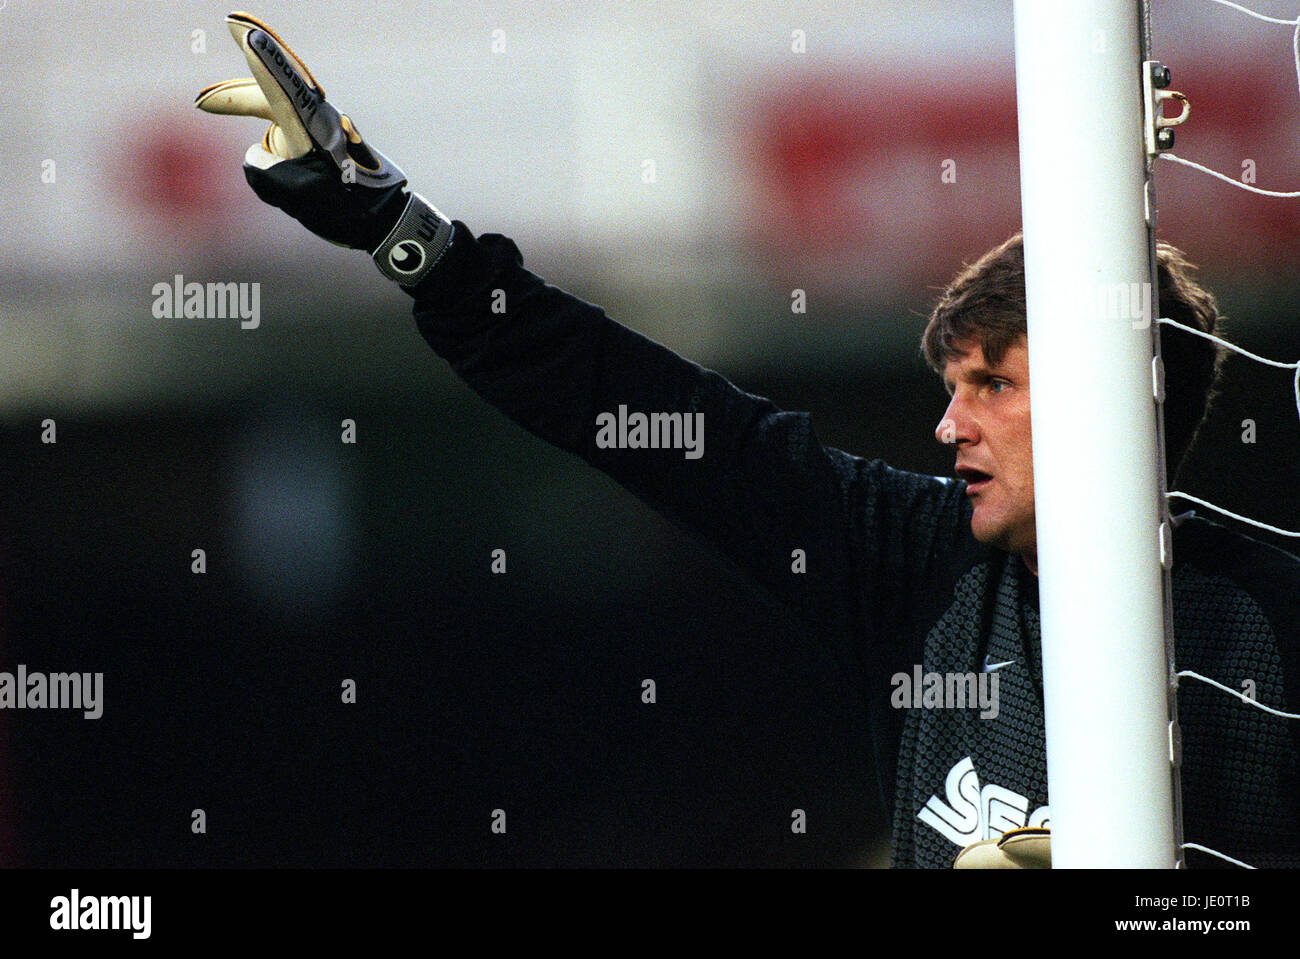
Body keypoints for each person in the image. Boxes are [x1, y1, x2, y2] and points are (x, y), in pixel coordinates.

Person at [198, 12, 1300, 867]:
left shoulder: (1266, 613)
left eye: (992, 384)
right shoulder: (913, 560)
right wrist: (409, 240)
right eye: (949, 383)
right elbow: (649, 415)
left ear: (1115, 396)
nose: (946, 422)